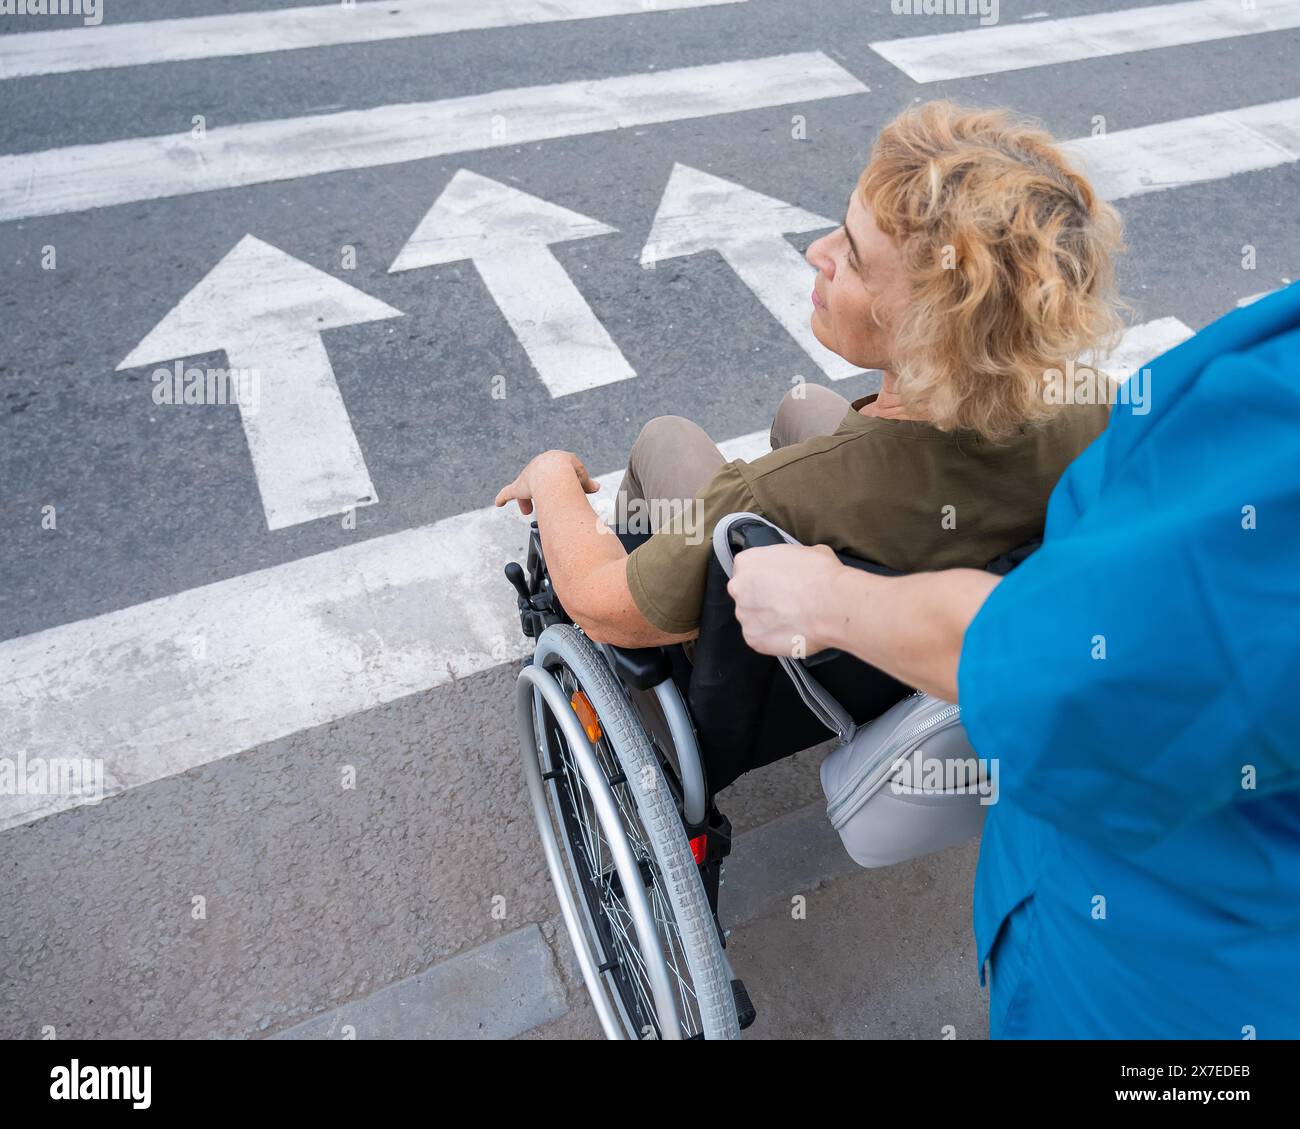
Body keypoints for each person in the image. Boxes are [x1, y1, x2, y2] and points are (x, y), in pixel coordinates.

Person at [726, 280, 1300, 1038]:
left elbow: (1070, 667)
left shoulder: (1272, 433)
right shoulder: (1087, 406)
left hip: (1162, 986)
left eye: (855, 252)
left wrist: (832, 601)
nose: (816, 257)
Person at [495, 102, 1124, 650]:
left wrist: (551, 476)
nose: (815, 253)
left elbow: (600, 607)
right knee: (806, 407)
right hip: (953, 612)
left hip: (789, 682)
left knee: (669, 438)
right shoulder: (1104, 411)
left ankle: (661, 616)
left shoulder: (761, 501)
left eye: (850, 254)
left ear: (927, 327)